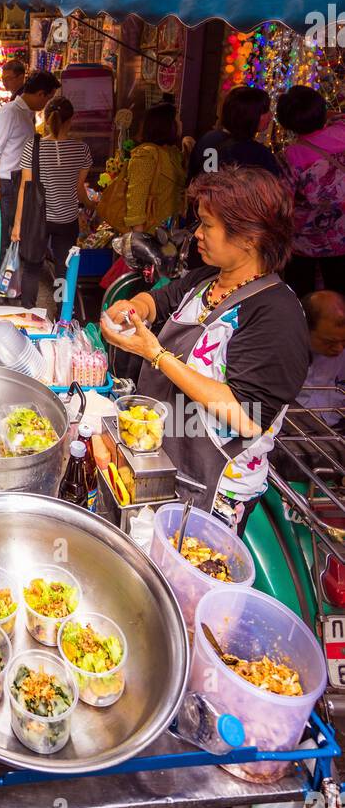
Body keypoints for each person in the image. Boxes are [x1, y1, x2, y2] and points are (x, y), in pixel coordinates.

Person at [101, 166, 310, 533]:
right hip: (162, 460)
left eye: (207, 225)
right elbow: (160, 300)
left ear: (248, 236)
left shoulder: (277, 315)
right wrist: (132, 308)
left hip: (212, 490)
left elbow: (246, 416)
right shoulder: (205, 282)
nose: (196, 233)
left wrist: (156, 355)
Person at [12, 97, 92, 308]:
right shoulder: (81, 149)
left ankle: (28, 313)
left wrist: (18, 224)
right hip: (67, 219)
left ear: (46, 118)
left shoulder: (33, 147)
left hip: (39, 218)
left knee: (32, 267)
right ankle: (62, 314)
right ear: (71, 120)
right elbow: (79, 189)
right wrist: (92, 206)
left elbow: (25, 188)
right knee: (62, 269)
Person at [0, 71, 60, 286]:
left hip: (18, 182)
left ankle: (7, 285)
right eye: (48, 98)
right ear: (40, 94)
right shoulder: (9, 112)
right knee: (3, 239)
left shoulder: (27, 113)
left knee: (13, 236)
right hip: (5, 183)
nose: (47, 103)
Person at [276, 85, 345, 295]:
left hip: (306, 242)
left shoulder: (291, 155)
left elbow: (284, 202)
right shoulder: (342, 130)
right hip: (342, 234)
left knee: (303, 297)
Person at [188, 87, 280, 180]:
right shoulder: (259, 154)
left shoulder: (207, 140)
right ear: (250, 115)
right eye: (265, 111)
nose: (270, 115)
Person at [123, 102, 186, 232]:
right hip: (151, 232)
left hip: (170, 230)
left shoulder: (172, 152)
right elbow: (136, 198)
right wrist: (139, 240)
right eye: (178, 119)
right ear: (167, 124)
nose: (181, 123)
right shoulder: (146, 154)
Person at [296, 290, 345, 425]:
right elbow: (251, 402)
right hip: (284, 431)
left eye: (344, 342)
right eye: (330, 342)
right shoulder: (275, 354)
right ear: (305, 330)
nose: (339, 349)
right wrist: (250, 443)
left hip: (337, 430)